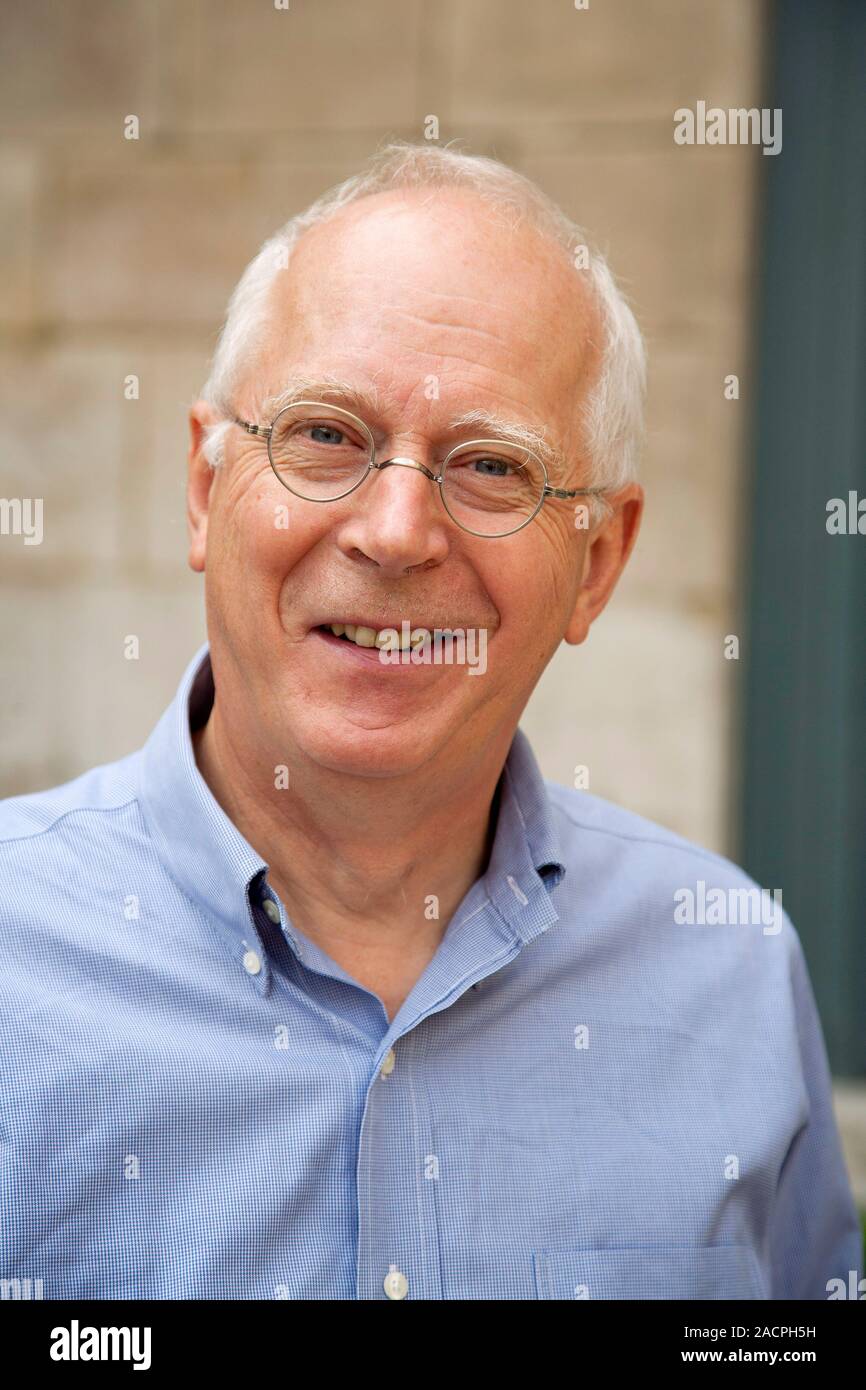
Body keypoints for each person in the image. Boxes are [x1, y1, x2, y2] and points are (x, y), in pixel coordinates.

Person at [0, 143, 860, 1301]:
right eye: (324, 436)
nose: (396, 530)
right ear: (207, 490)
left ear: (595, 564)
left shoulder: (731, 971)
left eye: (491, 465)